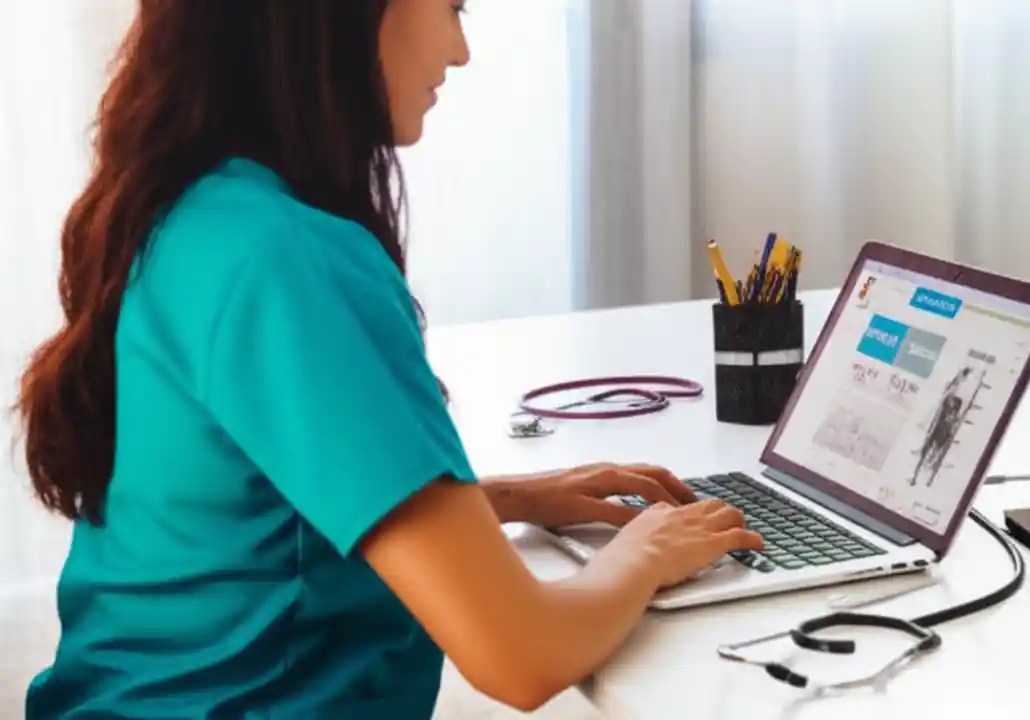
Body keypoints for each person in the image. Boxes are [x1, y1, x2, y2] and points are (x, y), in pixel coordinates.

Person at [14, 2, 762, 717]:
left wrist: (491, 505)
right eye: (454, 9)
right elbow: (521, 657)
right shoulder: (290, 261)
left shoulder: (197, 211)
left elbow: (255, 515)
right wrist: (646, 554)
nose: (459, 52)